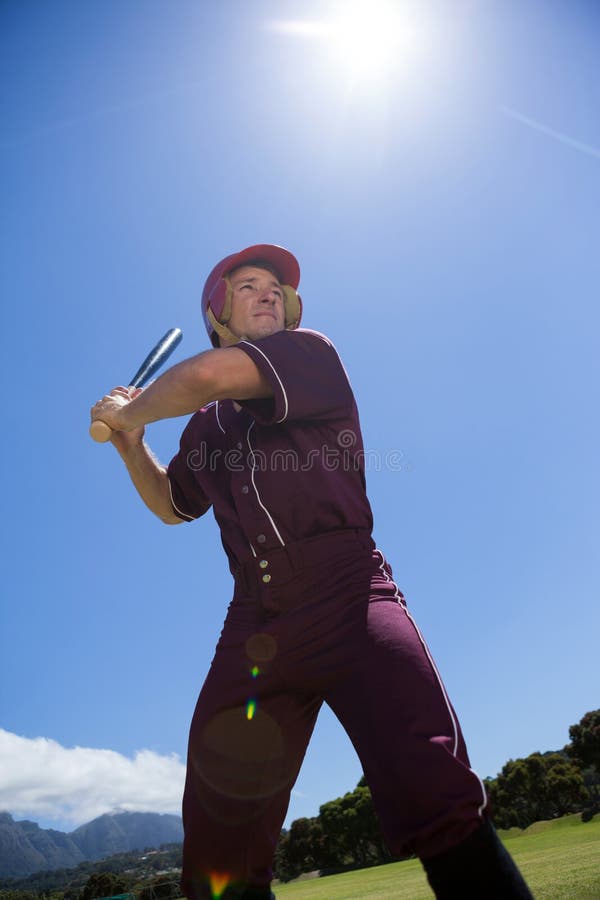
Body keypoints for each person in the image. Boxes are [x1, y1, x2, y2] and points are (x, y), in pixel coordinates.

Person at [91, 245, 533, 899]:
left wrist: (129, 411)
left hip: (349, 594)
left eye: (277, 287)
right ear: (219, 314)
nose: (269, 293)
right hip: (256, 628)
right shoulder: (202, 430)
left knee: (432, 789)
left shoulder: (309, 356)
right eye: (249, 286)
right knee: (219, 856)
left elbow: (210, 376)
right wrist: (132, 444)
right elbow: (170, 506)